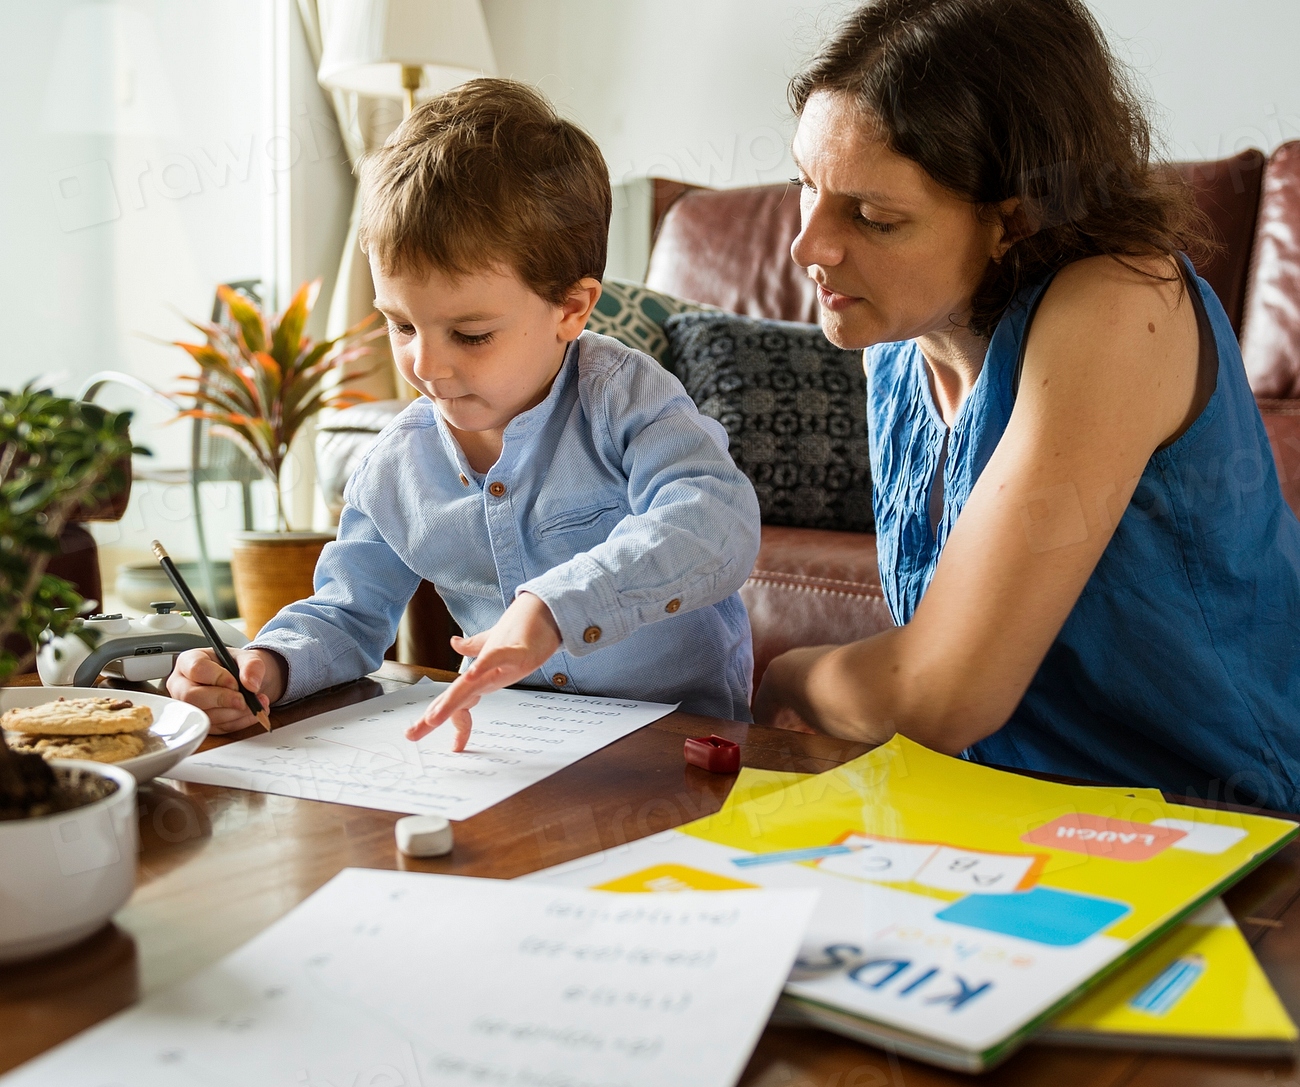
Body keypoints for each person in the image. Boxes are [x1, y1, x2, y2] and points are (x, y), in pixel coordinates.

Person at [753, 0, 1300, 810]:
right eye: (807, 183)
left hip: (1236, 832)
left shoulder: (1120, 302)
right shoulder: (898, 344)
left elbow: (942, 692)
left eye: (873, 216)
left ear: (1012, 219)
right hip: (1016, 823)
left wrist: (783, 674)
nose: (809, 248)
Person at [169, 79, 761, 747]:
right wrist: (266, 664)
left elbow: (717, 523)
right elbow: (347, 612)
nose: (426, 365)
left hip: (681, 743)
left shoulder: (622, 396)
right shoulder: (396, 465)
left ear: (571, 308)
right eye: (399, 325)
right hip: (520, 751)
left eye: (471, 334)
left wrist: (555, 608)